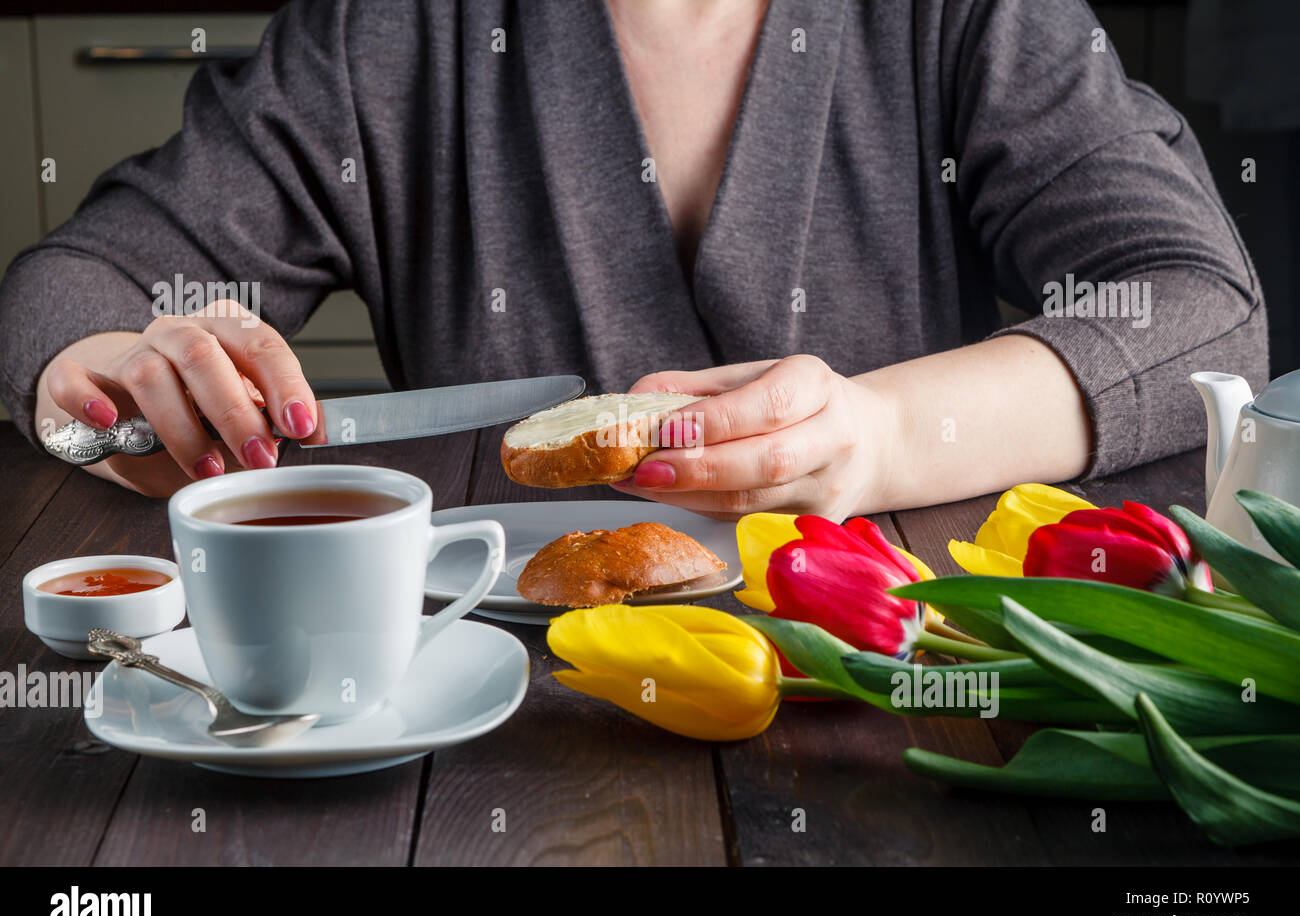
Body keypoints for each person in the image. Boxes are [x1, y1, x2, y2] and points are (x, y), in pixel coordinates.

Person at [0, 0, 1267, 521]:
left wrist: (872, 436)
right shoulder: (382, 37)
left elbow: (1201, 312)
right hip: (499, 712)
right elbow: (70, 288)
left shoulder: (968, 16)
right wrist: (108, 359)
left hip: (900, 683)